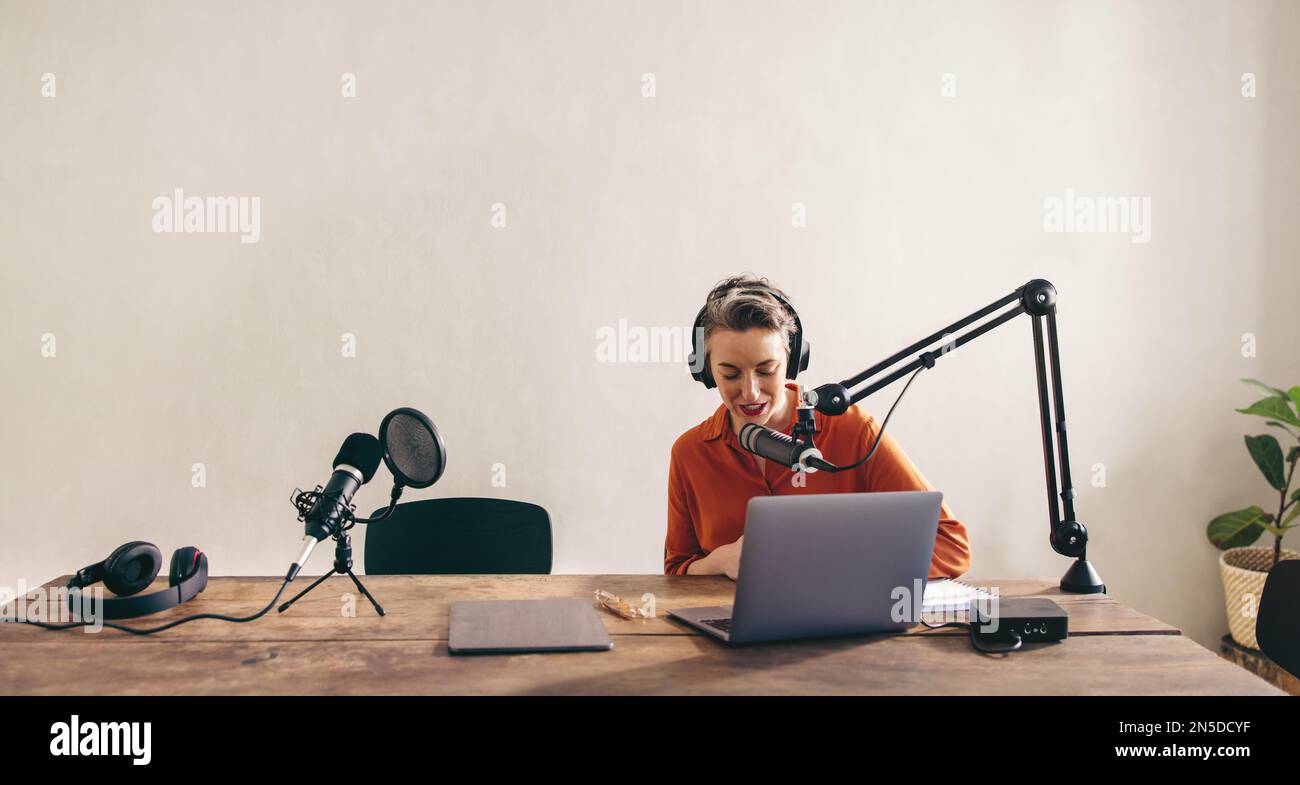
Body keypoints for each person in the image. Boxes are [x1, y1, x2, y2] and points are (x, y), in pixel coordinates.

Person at [665, 275, 971, 580]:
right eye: (730, 374)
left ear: (793, 361)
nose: (750, 392)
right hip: (728, 624)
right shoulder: (690, 452)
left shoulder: (854, 431)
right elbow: (676, 570)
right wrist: (718, 562)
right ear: (705, 372)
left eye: (766, 370)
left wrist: (839, 565)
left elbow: (950, 545)